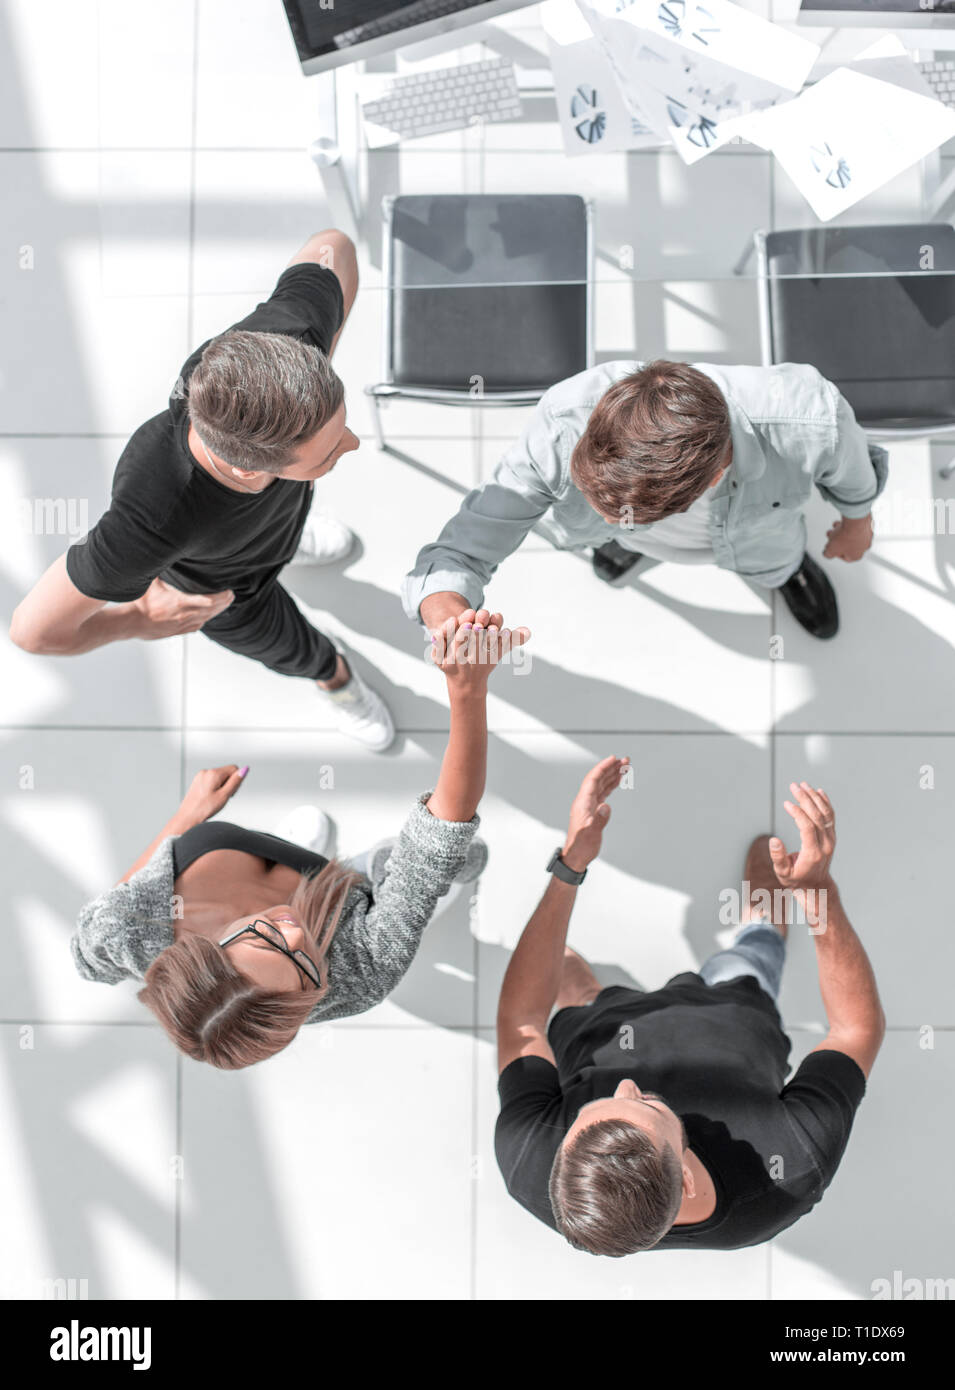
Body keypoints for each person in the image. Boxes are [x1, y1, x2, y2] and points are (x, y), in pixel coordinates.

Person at [70, 608, 528, 1069]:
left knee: (339, 875)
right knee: (460, 861)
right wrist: (467, 690)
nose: (293, 928)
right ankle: (345, 875)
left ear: (207, 947)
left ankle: (316, 863)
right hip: (349, 898)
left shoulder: (124, 930)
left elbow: (87, 957)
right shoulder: (360, 973)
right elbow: (436, 840)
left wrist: (186, 818)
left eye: (264, 936)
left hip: (294, 874)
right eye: (304, 965)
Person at [10, 230, 395, 751]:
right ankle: (338, 681)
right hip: (226, 591)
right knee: (298, 650)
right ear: (244, 470)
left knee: (290, 516)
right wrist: (138, 621)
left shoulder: (289, 339)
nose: (351, 445)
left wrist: (318, 372)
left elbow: (335, 246)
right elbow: (32, 632)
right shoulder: (150, 520)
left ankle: (294, 540)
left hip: (277, 517)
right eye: (328, 452)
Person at [494, 762, 884, 1254]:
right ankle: (761, 921)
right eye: (650, 1105)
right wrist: (817, 895)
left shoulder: (531, 1160)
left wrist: (571, 864)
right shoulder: (788, 1169)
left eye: (594, 1105)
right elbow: (854, 1031)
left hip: (595, 1024)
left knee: (570, 982)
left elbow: (522, 1021)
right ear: (687, 1177)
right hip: (734, 1008)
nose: (627, 1084)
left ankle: (586, 987)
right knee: (754, 951)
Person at [403, 359, 888, 642]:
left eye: (632, 517)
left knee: (773, 559)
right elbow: (473, 540)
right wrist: (445, 606)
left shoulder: (811, 417)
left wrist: (857, 520)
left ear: (716, 474)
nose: (613, 516)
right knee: (612, 532)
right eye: (605, 505)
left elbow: (851, 473)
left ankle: (784, 574)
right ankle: (624, 543)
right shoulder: (562, 421)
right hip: (623, 531)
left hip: (758, 534)